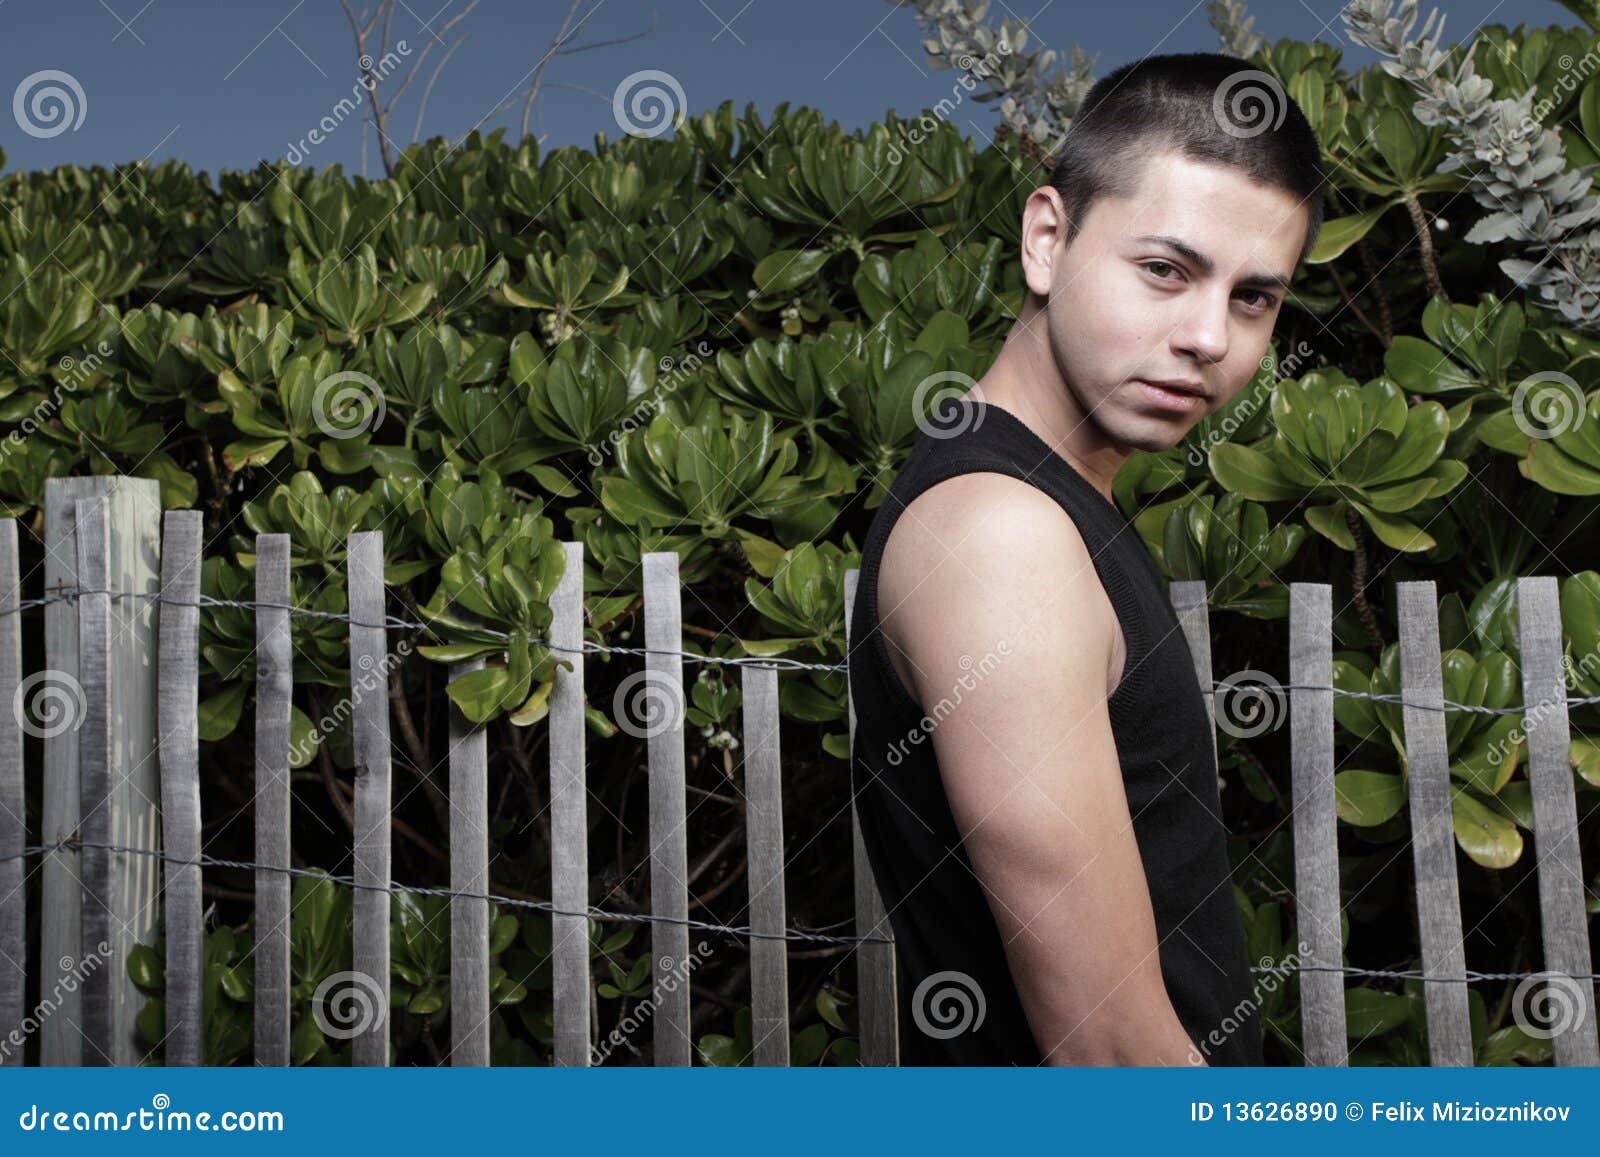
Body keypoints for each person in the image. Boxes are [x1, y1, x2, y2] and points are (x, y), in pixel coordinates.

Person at [848, 52, 1325, 1066]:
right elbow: (1108, 1046)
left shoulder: (1057, 506)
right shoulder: (997, 535)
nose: (1208, 336)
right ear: (1046, 238)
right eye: (1166, 269)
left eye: (1252, 298)